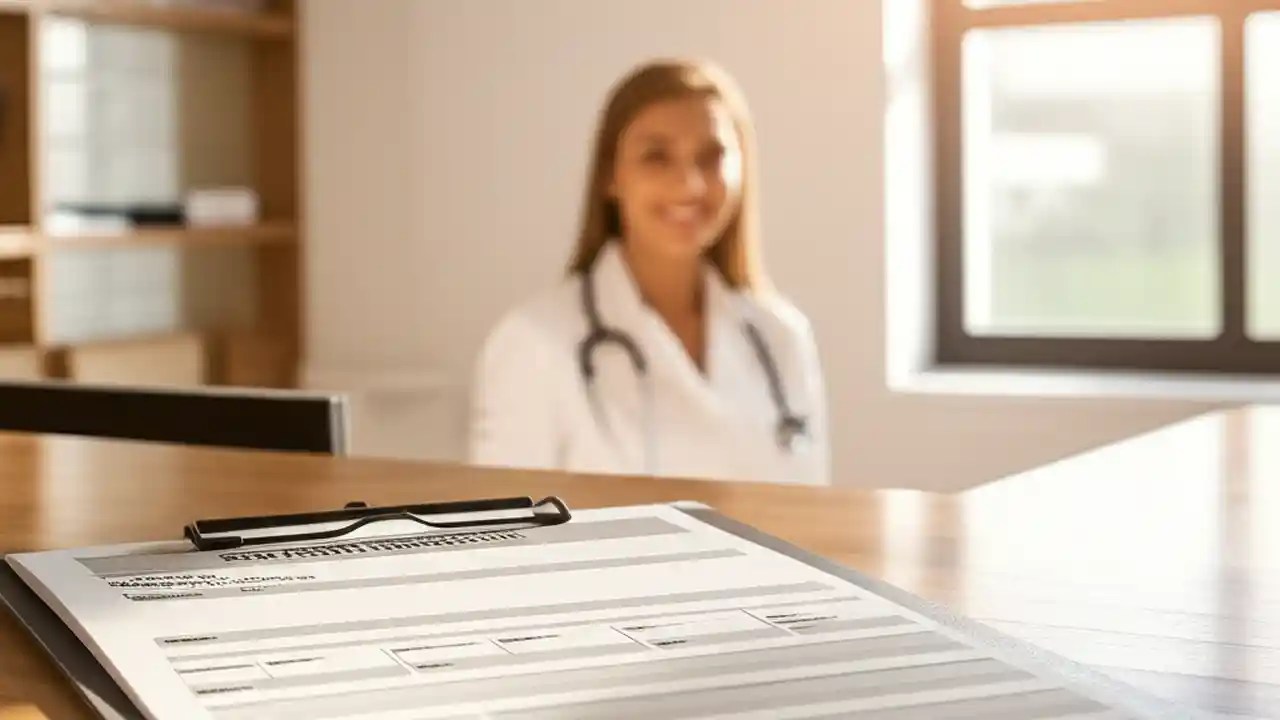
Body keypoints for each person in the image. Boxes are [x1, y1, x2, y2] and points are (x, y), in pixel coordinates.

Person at [468, 58, 828, 485]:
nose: (689, 185)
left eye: (711, 156)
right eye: (657, 157)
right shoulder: (532, 342)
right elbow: (506, 537)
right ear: (610, 176)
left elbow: (811, 519)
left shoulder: (780, 336)